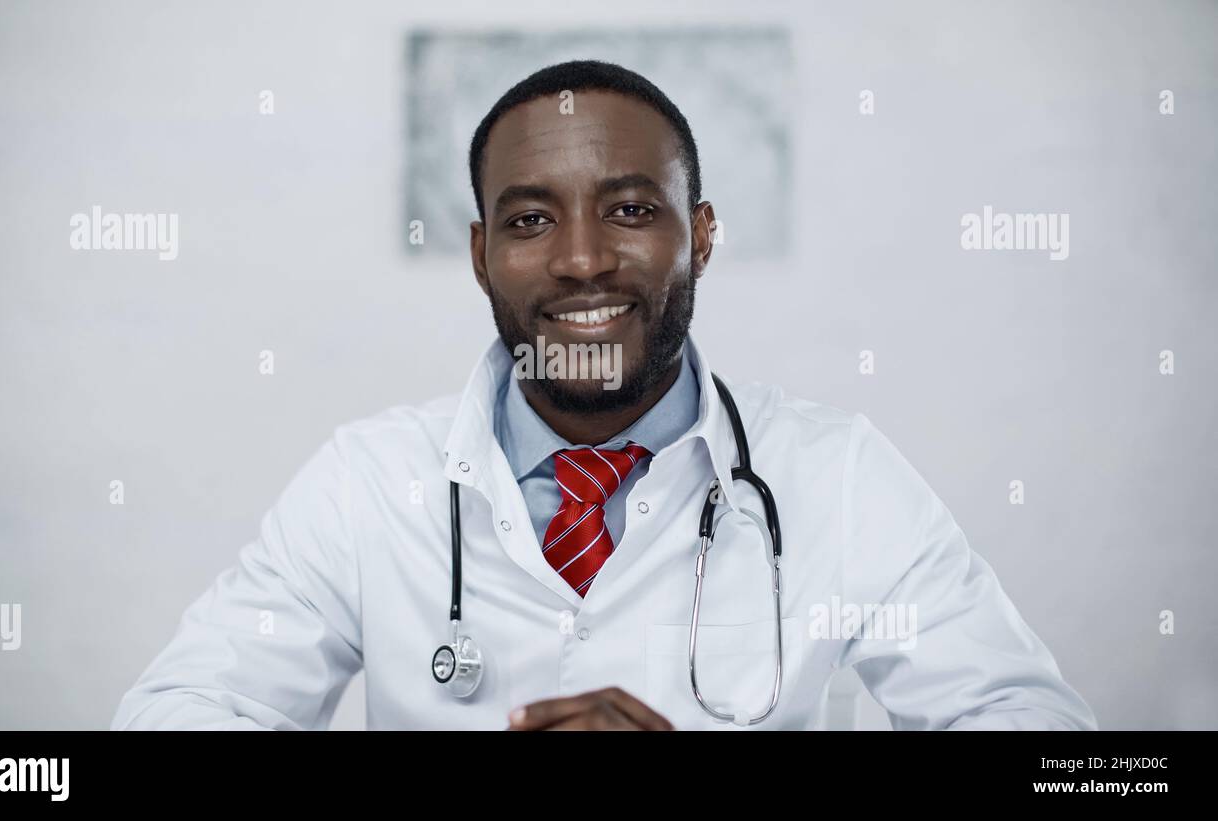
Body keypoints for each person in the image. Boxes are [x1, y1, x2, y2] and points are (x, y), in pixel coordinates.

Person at [112, 60, 1096, 731]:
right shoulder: (366, 484)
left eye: (630, 209)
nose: (583, 259)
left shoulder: (835, 475)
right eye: (532, 218)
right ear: (480, 253)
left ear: (700, 234)